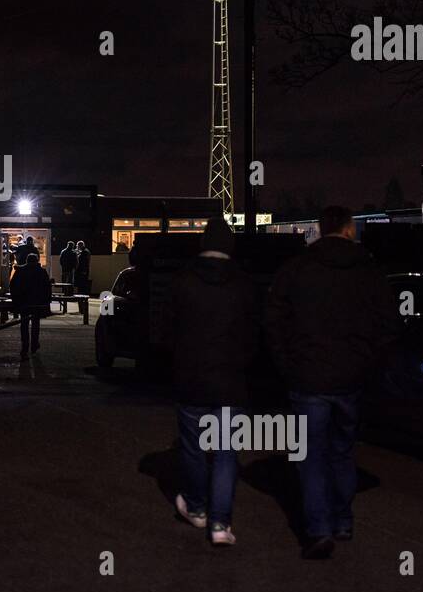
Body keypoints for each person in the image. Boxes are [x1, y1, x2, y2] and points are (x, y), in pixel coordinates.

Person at [265, 205, 399, 559]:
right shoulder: (370, 273)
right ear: (349, 229)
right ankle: (342, 520)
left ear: (321, 229)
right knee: (342, 451)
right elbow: (388, 326)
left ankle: (319, 529)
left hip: (308, 377)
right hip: (351, 379)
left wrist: (288, 364)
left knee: (309, 455)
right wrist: (367, 364)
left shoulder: (296, 270)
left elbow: (274, 321)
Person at [170, 218, 258, 547]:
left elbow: (168, 331)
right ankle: (220, 524)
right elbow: (254, 335)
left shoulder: (183, 281)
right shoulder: (245, 285)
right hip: (231, 381)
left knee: (193, 448)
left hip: (191, 379)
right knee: (225, 452)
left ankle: (196, 508)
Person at [9, 250, 52, 360]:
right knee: (35, 324)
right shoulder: (42, 272)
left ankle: (24, 347)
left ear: (27, 261)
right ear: (37, 260)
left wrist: (15, 300)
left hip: (24, 303)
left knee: (24, 324)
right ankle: (34, 344)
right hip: (37, 303)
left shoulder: (20, 271)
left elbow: (13, 286)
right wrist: (47, 302)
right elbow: (47, 288)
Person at [73, 240, 92, 312]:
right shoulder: (85, 251)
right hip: (83, 272)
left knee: (81, 288)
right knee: (81, 288)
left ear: (80, 245)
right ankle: (81, 306)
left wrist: (83, 271)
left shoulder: (84, 252)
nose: (77, 247)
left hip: (82, 272)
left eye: (77, 246)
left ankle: (82, 306)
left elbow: (84, 263)